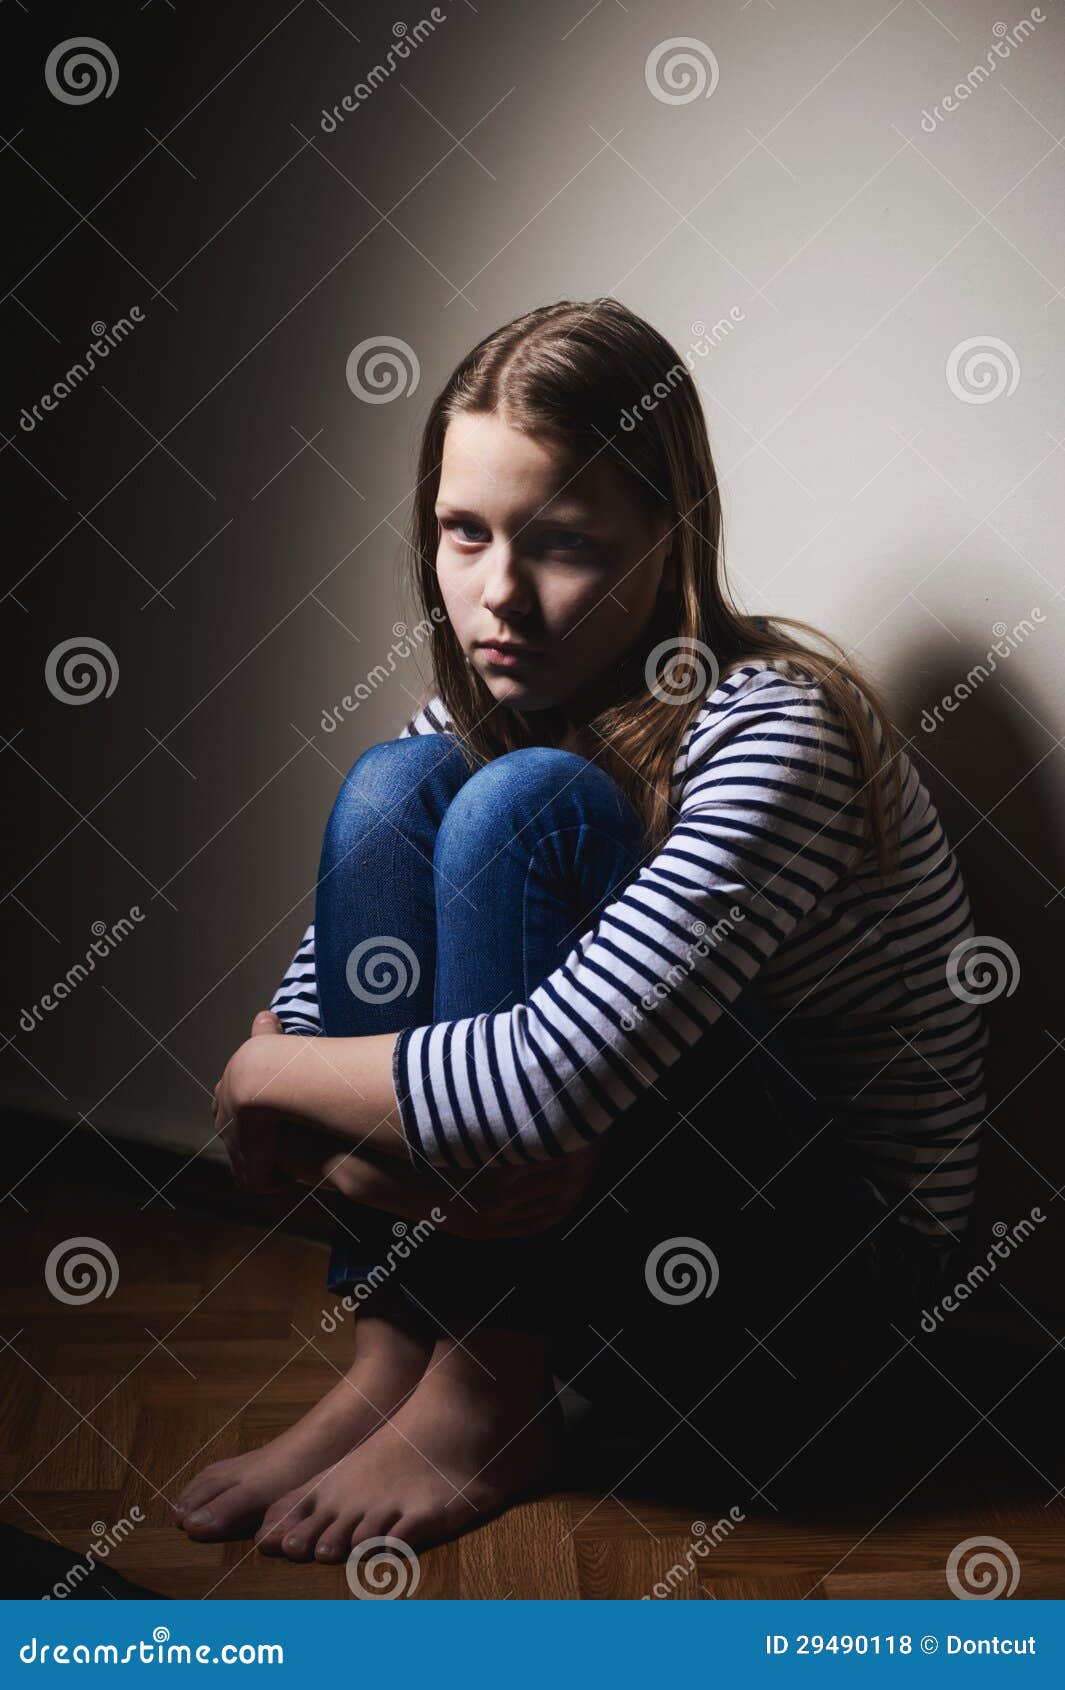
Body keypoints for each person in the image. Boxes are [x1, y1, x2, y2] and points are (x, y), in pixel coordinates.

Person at [172, 298, 988, 1564]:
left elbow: (529, 1089)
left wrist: (266, 1079)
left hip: (833, 1314)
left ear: (674, 538)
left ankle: (486, 1392)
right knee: (396, 791)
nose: (499, 596)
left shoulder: (779, 726)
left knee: (522, 807)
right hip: (626, 1254)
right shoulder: (484, 710)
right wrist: (332, 1114)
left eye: (562, 545)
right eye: (463, 532)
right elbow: (330, 1014)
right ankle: (396, 1363)